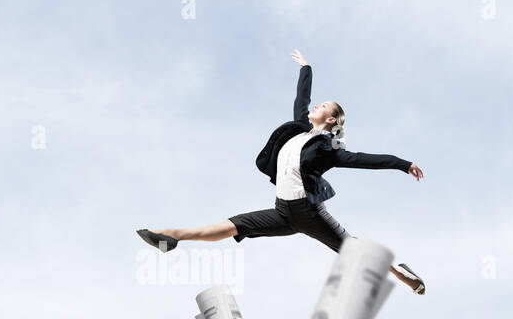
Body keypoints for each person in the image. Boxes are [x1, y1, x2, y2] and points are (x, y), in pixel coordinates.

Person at [137, 50, 426, 293]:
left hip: (309, 213)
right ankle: (169, 236)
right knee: (232, 226)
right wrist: (306, 68)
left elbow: (364, 159)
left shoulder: (327, 149)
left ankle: (399, 272)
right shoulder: (299, 130)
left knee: (354, 250)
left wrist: (403, 164)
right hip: (282, 212)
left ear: (332, 118)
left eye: (323, 106)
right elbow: (301, 100)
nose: (316, 105)